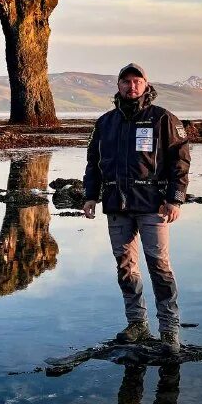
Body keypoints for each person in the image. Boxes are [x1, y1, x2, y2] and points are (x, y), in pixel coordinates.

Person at [82, 63, 190, 355]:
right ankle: (137, 324)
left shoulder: (162, 119)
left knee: (159, 266)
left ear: (146, 84)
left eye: (137, 81)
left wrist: (175, 198)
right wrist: (90, 196)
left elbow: (180, 161)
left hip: (154, 205)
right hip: (116, 204)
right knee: (125, 266)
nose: (132, 86)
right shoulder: (105, 123)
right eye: (126, 81)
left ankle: (169, 330)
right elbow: (93, 163)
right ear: (118, 86)